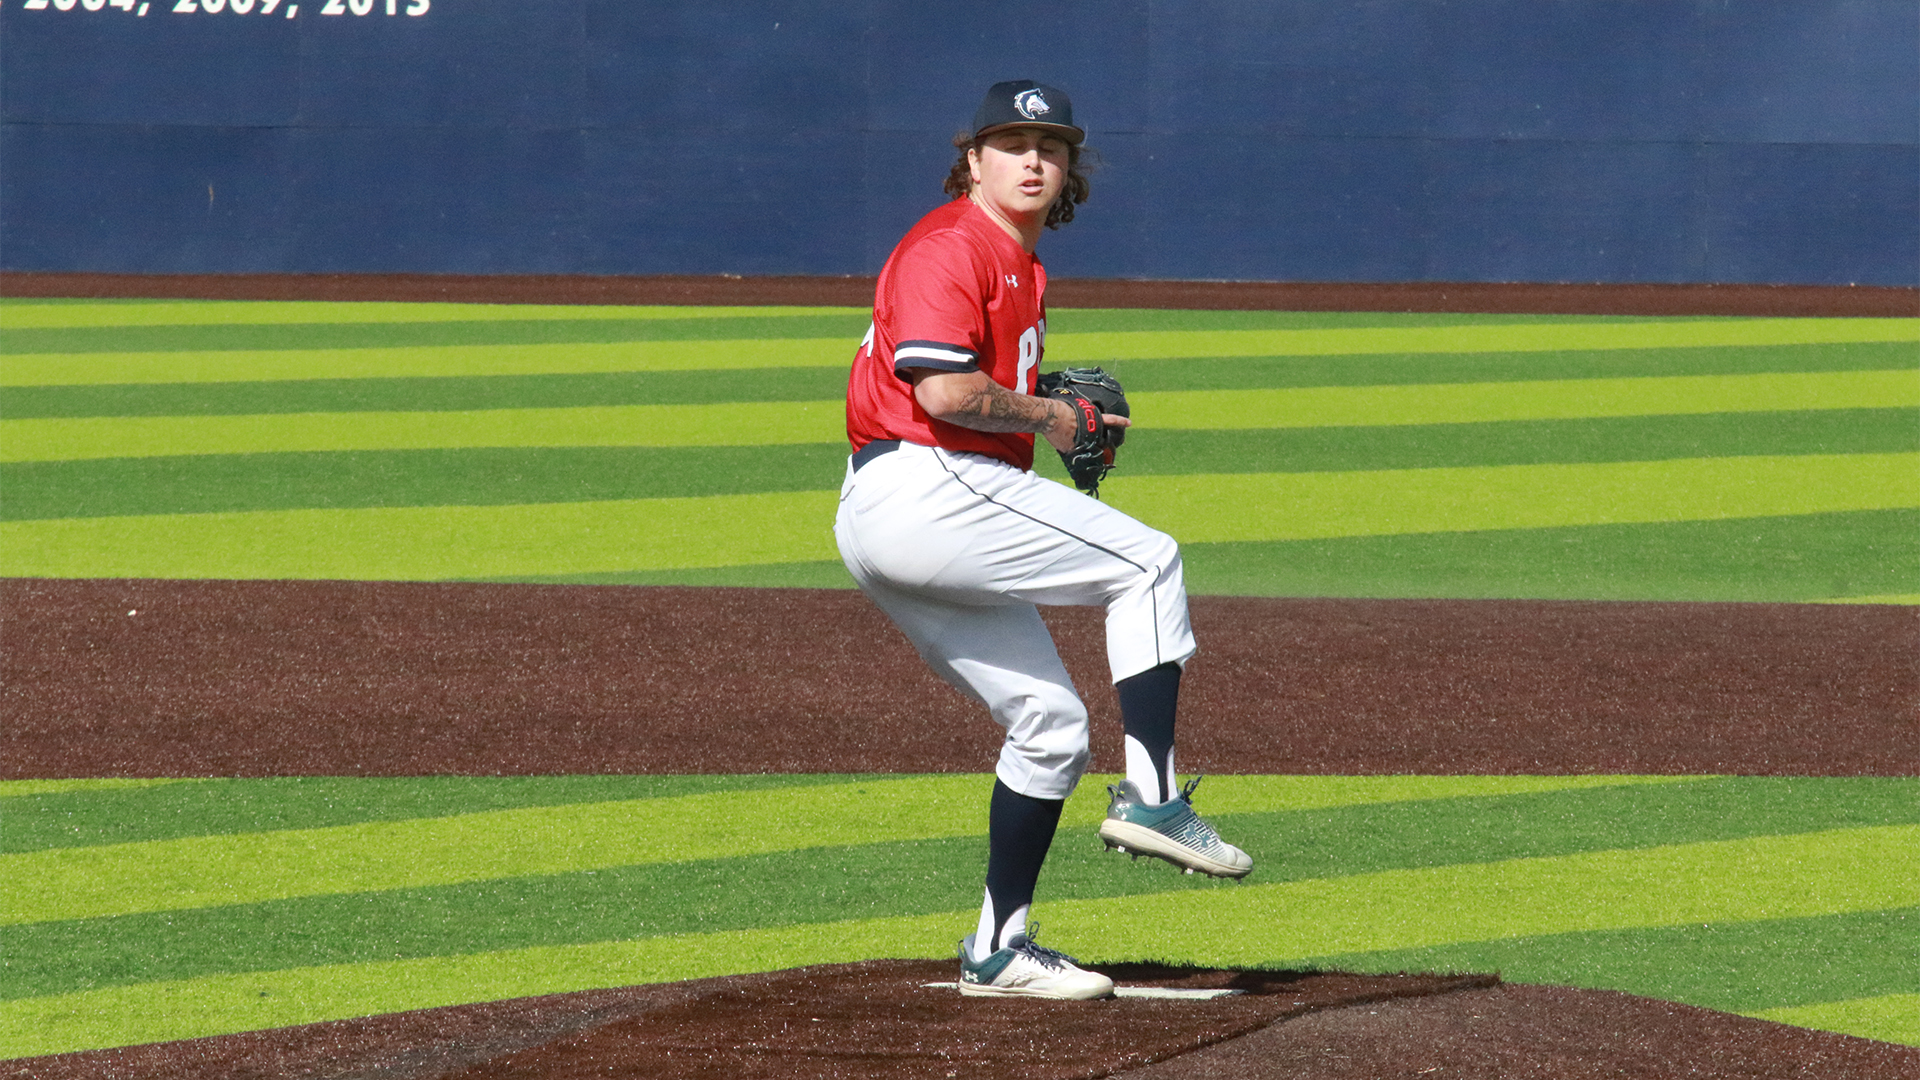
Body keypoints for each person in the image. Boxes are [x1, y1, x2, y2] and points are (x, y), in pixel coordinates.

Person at [834, 80, 1251, 1001]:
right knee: (1149, 560)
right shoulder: (951, 245)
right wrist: (1057, 417)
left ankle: (997, 946)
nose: (1032, 160)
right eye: (1011, 143)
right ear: (971, 157)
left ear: (1067, 172)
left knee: (1051, 728)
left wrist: (1033, 417)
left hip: (913, 502)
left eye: (1050, 148)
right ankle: (1153, 798)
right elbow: (943, 396)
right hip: (925, 482)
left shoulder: (1020, 265)